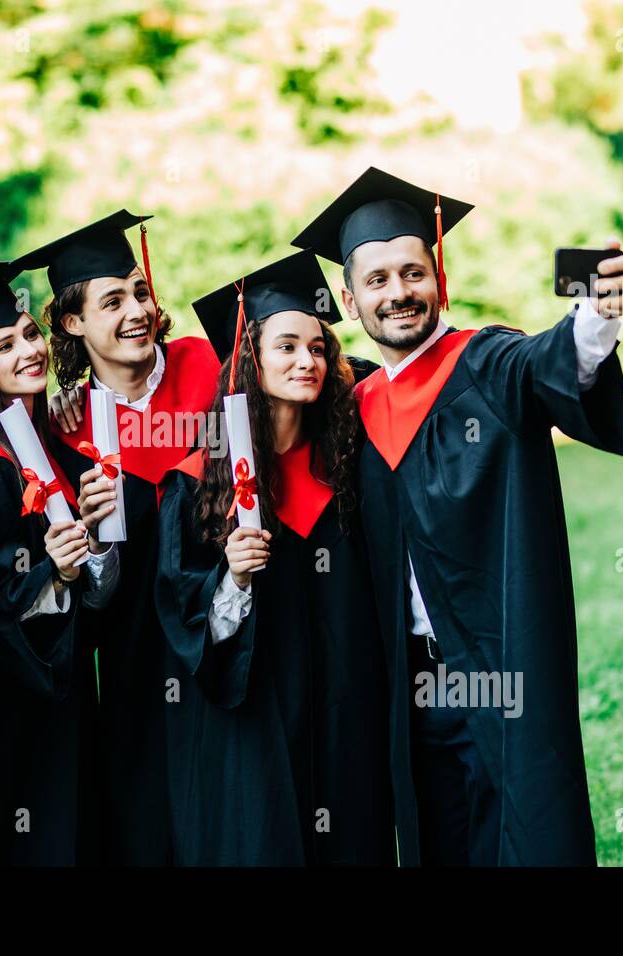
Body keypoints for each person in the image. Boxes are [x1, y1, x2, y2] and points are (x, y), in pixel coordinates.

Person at [292, 167, 623, 865]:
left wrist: (597, 314)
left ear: (439, 276)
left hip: (499, 676)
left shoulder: (486, 365)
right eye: (377, 281)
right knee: (434, 839)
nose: (397, 293)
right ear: (348, 297)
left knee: (521, 831)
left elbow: (552, 359)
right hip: (408, 688)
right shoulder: (353, 407)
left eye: (411, 273)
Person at [155, 250, 394, 865]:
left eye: (318, 348)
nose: (306, 361)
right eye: (286, 346)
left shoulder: (348, 466)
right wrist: (232, 576)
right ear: (249, 357)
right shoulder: (195, 487)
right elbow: (184, 625)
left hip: (346, 718)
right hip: (254, 730)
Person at [13, 211, 221, 864]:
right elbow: (89, 605)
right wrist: (96, 538)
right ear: (71, 323)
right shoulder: (62, 438)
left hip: (229, 656)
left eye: (139, 291)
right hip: (133, 675)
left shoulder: (212, 372)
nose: (137, 310)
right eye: (113, 301)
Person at [0, 261, 120, 865]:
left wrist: (89, 539)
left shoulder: (38, 443)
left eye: (29, 332)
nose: (28, 350)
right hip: (14, 708)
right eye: (4, 345)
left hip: (56, 695)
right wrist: (58, 573)